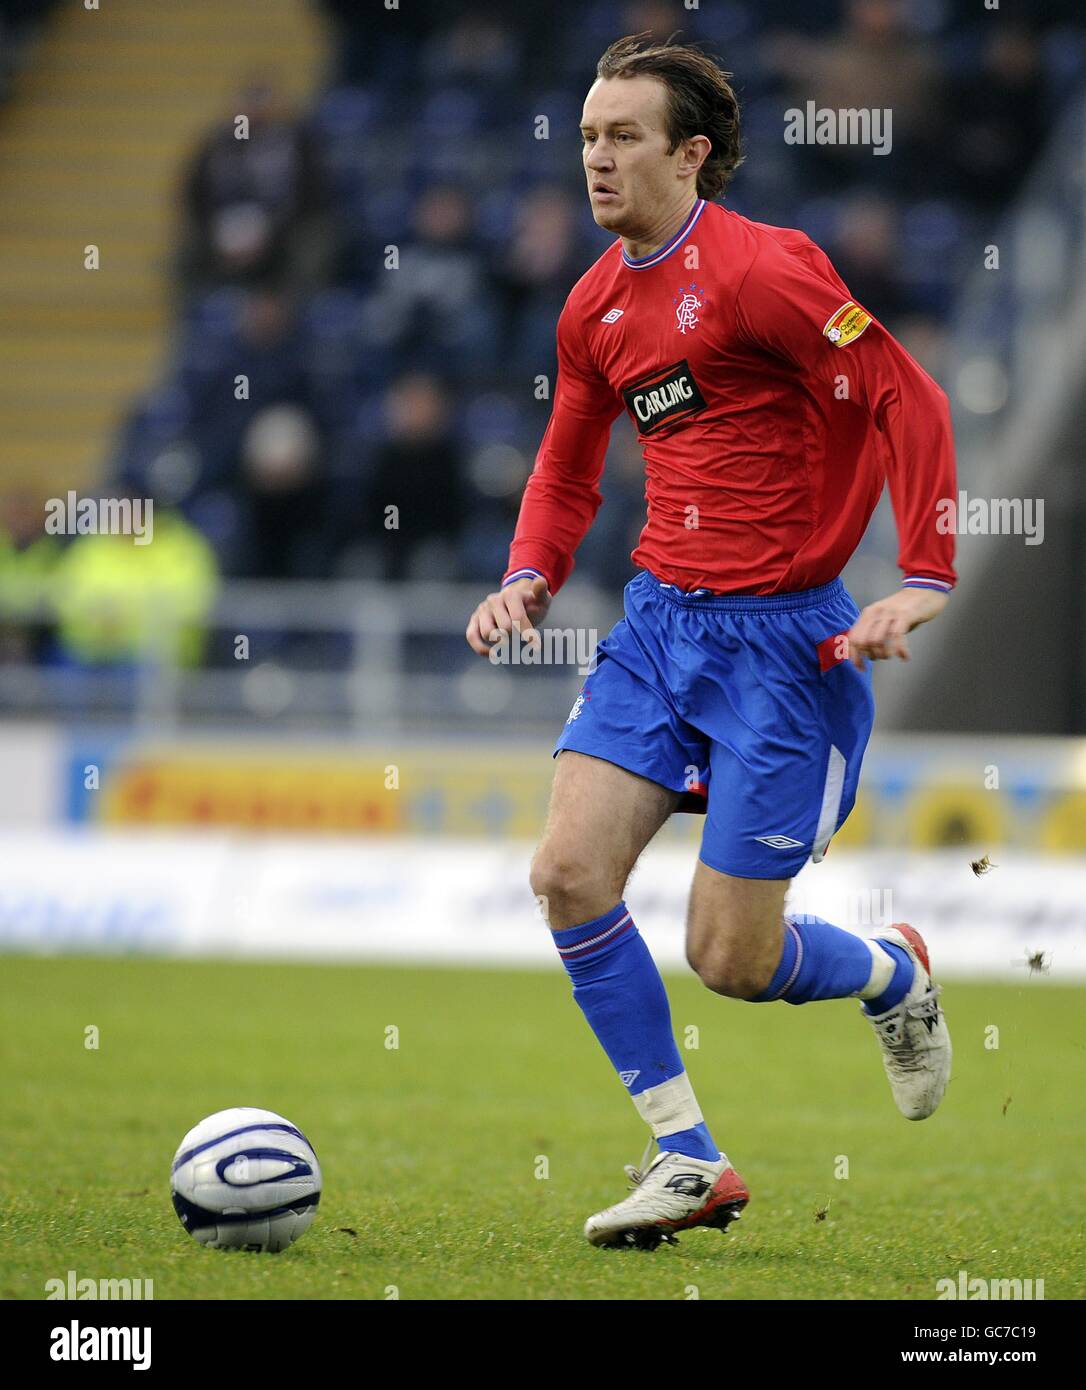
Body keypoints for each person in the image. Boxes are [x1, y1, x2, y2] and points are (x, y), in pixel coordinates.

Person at [465, 34, 955, 1250]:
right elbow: (568, 463)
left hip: (788, 651)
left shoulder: (768, 272)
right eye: (587, 135)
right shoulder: (594, 304)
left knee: (731, 959)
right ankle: (687, 1154)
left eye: (624, 136)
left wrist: (925, 572)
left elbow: (908, 396)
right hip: (659, 625)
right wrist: (530, 572)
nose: (598, 157)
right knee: (567, 874)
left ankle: (893, 974)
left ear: (693, 155)